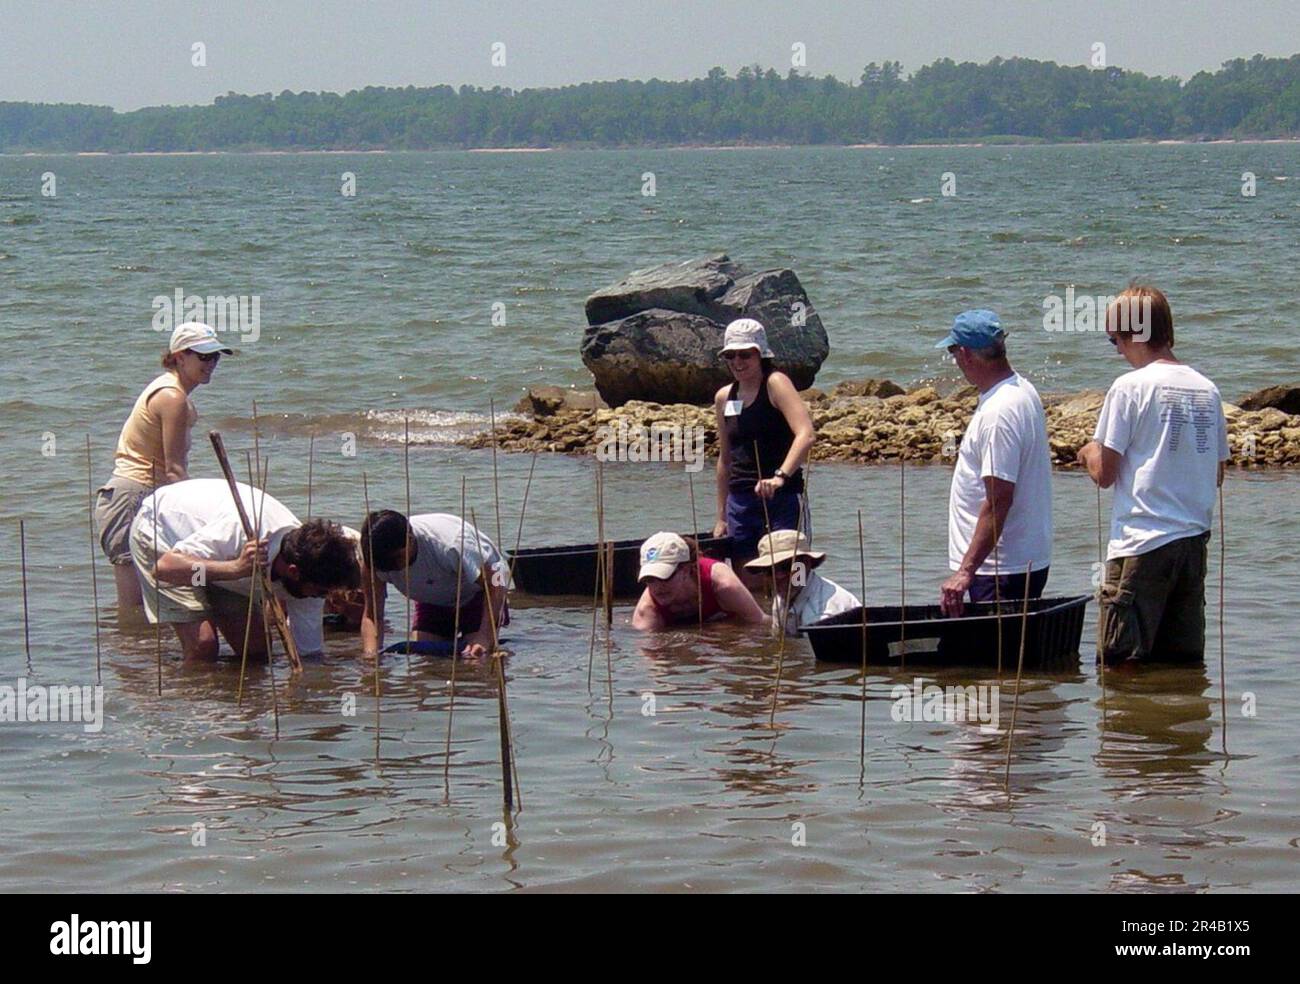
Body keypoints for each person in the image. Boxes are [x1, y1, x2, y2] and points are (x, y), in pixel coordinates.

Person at [1077, 285, 1229, 664]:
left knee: (1119, 663)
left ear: (1135, 334)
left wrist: (1087, 452)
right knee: (1181, 666)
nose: (1117, 350)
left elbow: (1105, 474)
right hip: (1193, 545)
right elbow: (1217, 474)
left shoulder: (1128, 388)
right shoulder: (1207, 390)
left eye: (1115, 340)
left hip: (1141, 545)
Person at [128, 478, 360, 662]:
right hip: (162, 536)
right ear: (293, 572)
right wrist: (234, 569)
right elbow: (165, 570)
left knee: (257, 651)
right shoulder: (241, 531)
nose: (321, 599)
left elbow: (309, 653)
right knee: (204, 646)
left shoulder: (311, 576)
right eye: (319, 593)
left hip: (223, 563)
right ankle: (187, 710)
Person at [95, 321, 232, 615]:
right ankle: (132, 658)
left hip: (139, 496)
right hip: (134, 497)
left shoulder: (172, 391)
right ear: (180, 356)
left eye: (216, 356)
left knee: (151, 600)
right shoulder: (173, 397)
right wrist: (205, 515)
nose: (211, 364)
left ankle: (144, 657)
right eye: (204, 356)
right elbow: (175, 471)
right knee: (134, 609)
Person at [936, 310, 1053, 617]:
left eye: (953, 353)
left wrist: (965, 571)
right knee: (1011, 659)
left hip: (998, 569)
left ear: (965, 354)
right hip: (1017, 561)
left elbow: (998, 499)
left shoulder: (999, 413)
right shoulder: (1022, 390)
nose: (955, 362)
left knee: (998, 660)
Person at [711, 318, 816, 578]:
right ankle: (756, 620)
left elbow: (806, 434)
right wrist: (722, 516)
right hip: (741, 501)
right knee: (746, 576)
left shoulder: (775, 383)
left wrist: (780, 477)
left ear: (760, 354)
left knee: (791, 576)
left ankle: (792, 618)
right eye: (730, 355)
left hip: (781, 497)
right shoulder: (725, 396)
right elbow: (725, 460)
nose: (737, 362)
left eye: (745, 354)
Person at [358, 511, 509, 659]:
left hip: (477, 596)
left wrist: (485, 635)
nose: (390, 566)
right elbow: (372, 615)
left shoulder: (450, 545)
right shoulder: (373, 559)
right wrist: (371, 656)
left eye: (396, 559)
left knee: (476, 659)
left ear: (410, 540)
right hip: (431, 600)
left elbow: (498, 579)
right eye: (383, 565)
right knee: (425, 662)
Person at [631, 531, 767, 630]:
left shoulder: (724, 585)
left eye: (665, 576)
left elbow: (760, 622)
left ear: (685, 569)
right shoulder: (648, 611)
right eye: (649, 579)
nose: (657, 587)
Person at [744, 529, 859, 636]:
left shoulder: (821, 613)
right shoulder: (782, 596)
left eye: (787, 566)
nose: (778, 576)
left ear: (807, 564)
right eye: (770, 570)